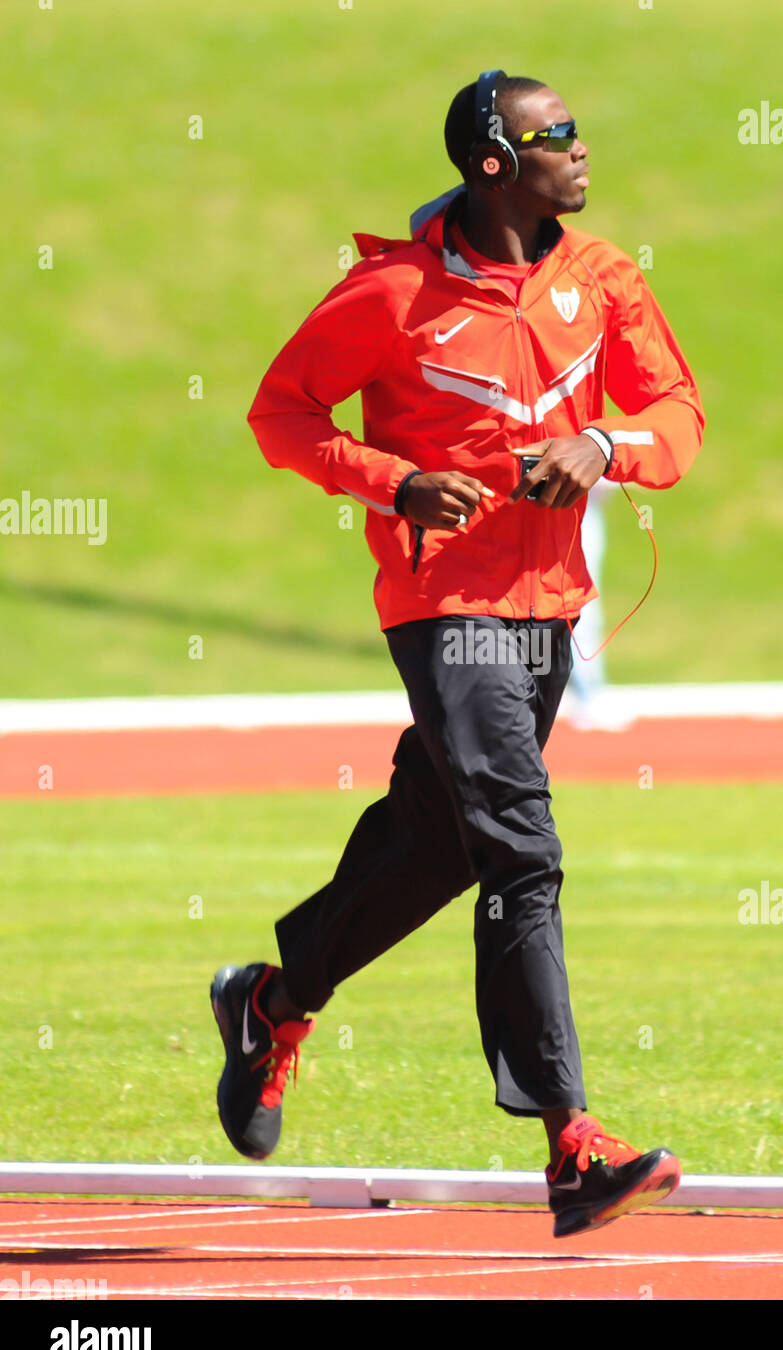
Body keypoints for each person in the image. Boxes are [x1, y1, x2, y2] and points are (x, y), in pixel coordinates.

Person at [211, 70, 705, 1238]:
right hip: (445, 609)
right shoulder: (390, 291)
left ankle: (271, 1001)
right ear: (495, 165)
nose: (580, 151)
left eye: (577, 130)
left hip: (548, 613)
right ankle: (572, 1140)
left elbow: (677, 417)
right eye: (554, 137)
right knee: (523, 852)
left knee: (437, 846)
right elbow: (281, 415)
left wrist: (602, 443)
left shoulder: (602, 278)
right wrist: (392, 480)